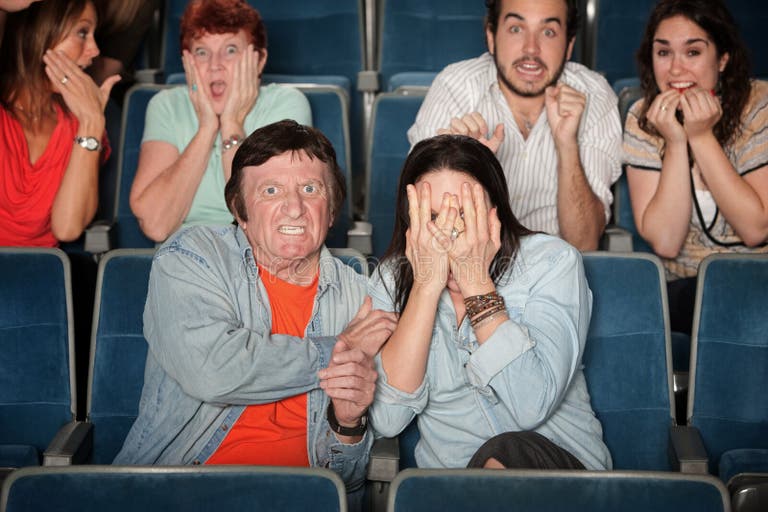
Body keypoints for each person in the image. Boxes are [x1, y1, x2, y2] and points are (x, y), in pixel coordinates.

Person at [114, 120, 398, 507]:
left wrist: (347, 425)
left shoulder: (359, 298)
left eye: (310, 189)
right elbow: (211, 372)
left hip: (303, 498)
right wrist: (341, 347)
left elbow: (348, 480)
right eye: (271, 190)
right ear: (240, 211)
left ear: (331, 211)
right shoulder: (194, 256)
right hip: (183, 490)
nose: (294, 207)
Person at [368, 134, 611, 471]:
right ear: (411, 221)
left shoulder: (552, 262)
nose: (449, 234)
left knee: (505, 451)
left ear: (494, 214)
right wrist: (426, 285)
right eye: (433, 217)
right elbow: (387, 419)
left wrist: (474, 283)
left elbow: (531, 406)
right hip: (456, 487)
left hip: (558, 475)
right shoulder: (390, 278)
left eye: (466, 214)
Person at [408, 0, 622, 251]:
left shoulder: (594, 95)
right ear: (491, 36)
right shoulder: (455, 87)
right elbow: (422, 229)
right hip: (468, 267)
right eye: (516, 29)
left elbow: (583, 243)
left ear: (569, 46)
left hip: (556, 275)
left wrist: (567, 145)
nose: (531, 49)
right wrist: (465, 165)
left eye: (548, 32)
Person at [623, 0, 768, 333]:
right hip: (685, 288)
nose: (675, 69)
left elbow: (755, 229)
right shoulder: (643, 118)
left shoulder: (760, 106)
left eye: (692, 53)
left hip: (757, 280)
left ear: (723, 59)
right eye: (663, 53)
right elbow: (666, 242)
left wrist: (701, 138)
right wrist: (676, 141)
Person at [129, 0, 311, 242]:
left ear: (259, 59)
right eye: (202, 52)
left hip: (262, 255)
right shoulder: (166, 105)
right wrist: (206, 128)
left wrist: (231, 123)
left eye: (230, 50)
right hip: (185, 258)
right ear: (187, 61)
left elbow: (268, 219)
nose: (215, 66)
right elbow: (156, 225)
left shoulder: (286, 104)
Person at [0, 0, 119, 246]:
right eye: (82, 32)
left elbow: (67, 228)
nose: (95, 50)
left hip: (37, 276)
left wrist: (92, 122)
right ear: (39, 33)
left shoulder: (81, 125)